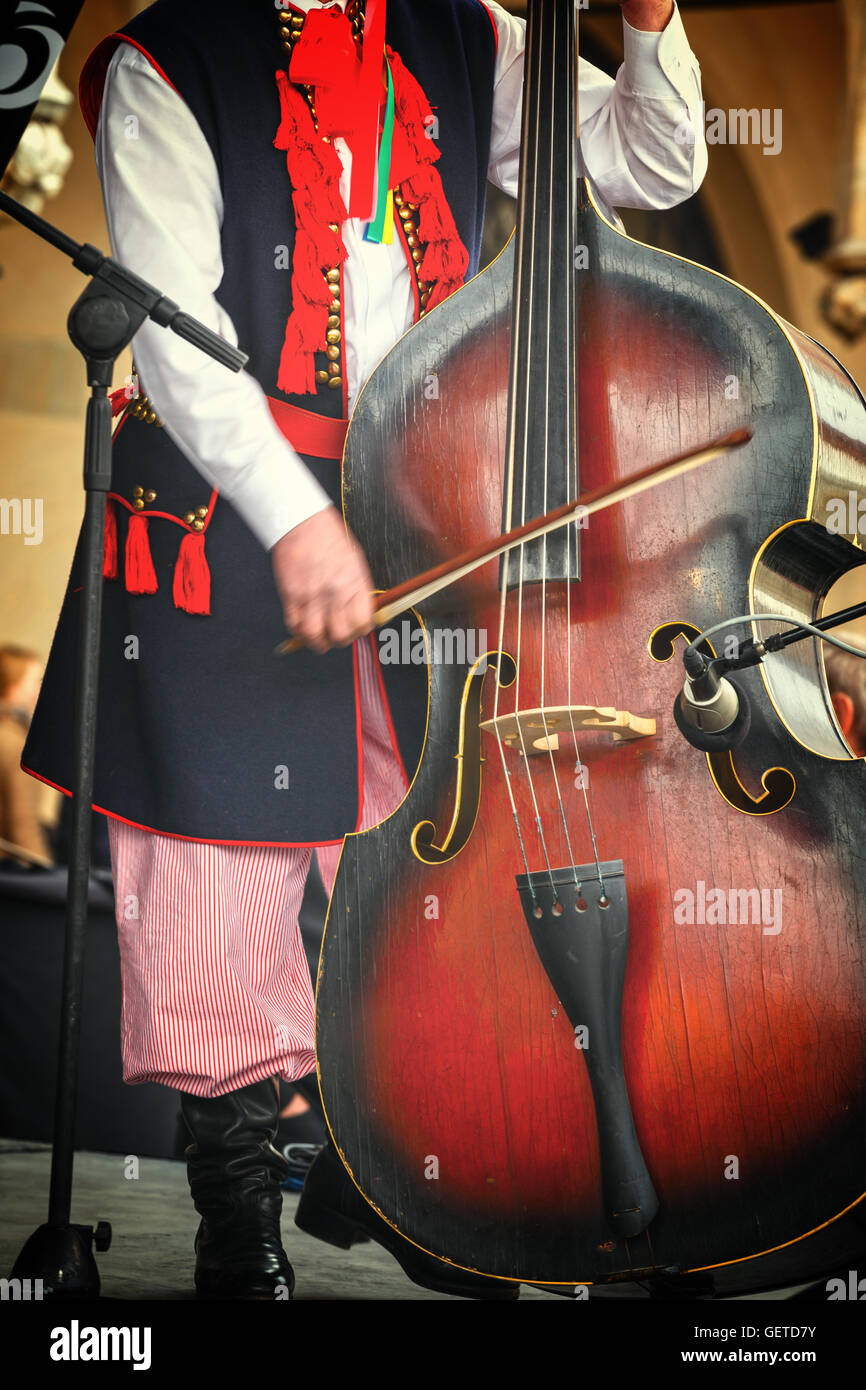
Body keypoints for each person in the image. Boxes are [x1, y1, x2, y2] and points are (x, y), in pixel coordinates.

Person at [23, 0, 707, 1299]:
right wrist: (293, 518)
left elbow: (644, 165)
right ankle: (239, 1224)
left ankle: (394, 1166)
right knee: (218, 870)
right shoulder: (172, 60)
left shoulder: (468, 32)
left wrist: (651, 27)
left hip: (417, 498)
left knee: (412, 855)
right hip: (222, 504)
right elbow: (172, 328)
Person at [0, 645, 52, 867]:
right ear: (12, 688)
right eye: (35, 683)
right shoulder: (14, 744)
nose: (40, 691)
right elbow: (23, 827)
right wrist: (49, 880)